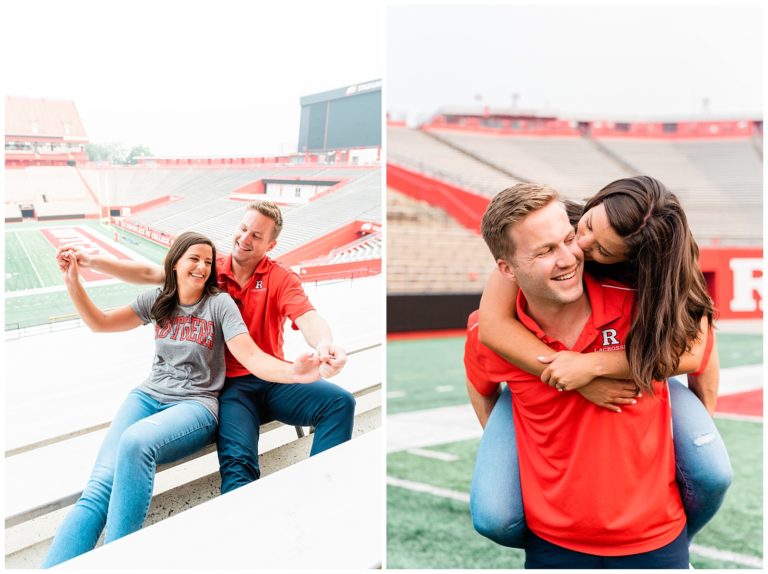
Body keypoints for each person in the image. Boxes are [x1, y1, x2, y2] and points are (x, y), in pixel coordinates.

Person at [469, 177, 732, 549]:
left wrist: (594, 366)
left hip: (648, 368)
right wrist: (573, 374)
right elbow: (492, 327)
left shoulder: (662, 266)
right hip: (542, 375)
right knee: (493, 515)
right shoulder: (557, 226)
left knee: (712, 472)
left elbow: (692, 355)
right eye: (587, 226)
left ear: (632, 257)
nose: (581, 245)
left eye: (604, 250)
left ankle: (681, 544)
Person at [43, 232, 325, 568]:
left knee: (135, 442)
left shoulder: (220, 304)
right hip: (147, 396)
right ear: (175, 262)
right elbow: (100, 323)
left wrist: (294, 372)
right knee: (98, 488)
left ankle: (117, 564)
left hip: (196, 405)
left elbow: (251, 356)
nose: (202, 267)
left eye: (208, 261)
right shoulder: (158, 299)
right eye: (194, 258)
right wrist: (73, 282)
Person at [55, 201, 354, 494]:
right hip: (230, 387)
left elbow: (307, 317)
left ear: (270, 245)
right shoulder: (209, 270)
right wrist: (90, 261)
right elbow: (148, 274)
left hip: (273, 376)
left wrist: (325, 344)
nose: (245, 239)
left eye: (256, 235)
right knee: (238, 466)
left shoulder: (280, 277)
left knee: (340, 403)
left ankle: (321, 492)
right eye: (243, 229)